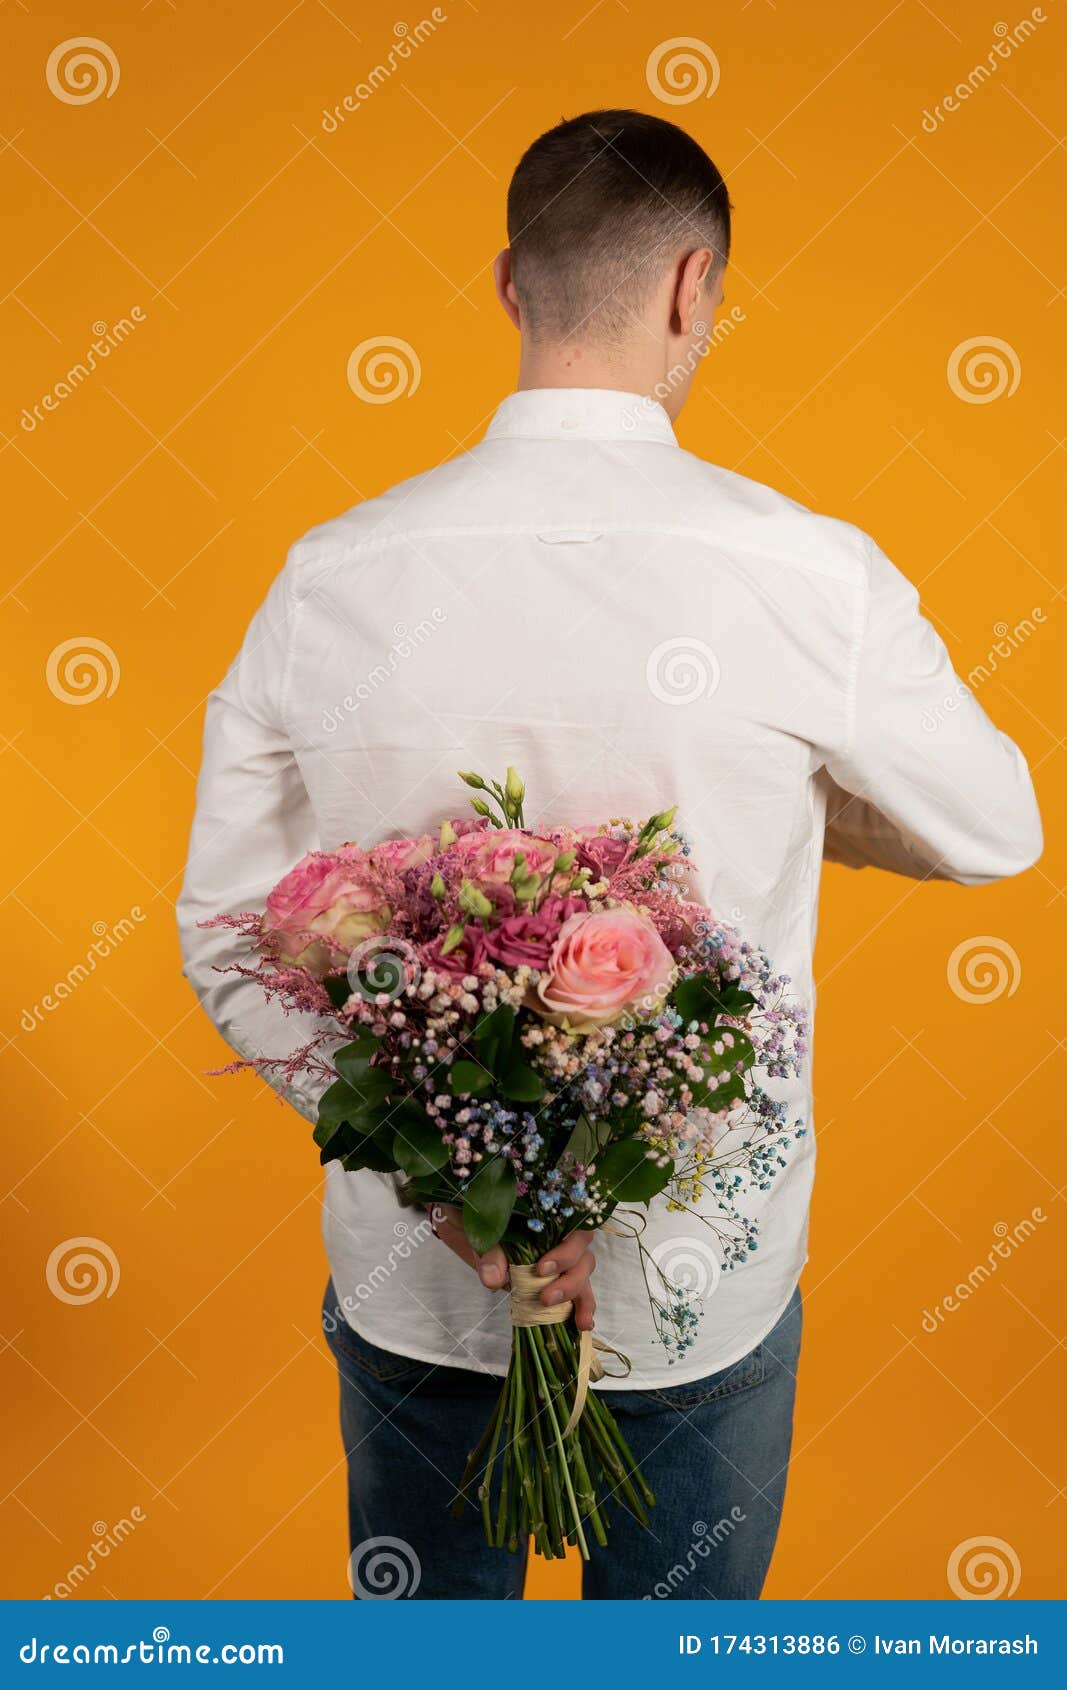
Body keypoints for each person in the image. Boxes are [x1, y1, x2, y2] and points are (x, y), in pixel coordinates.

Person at [177, 109, 1042, 1600]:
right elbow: (997, 827)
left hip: (420, 1283)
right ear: (692, 286)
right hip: (701, 1283)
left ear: (512, 285)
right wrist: (786, 791)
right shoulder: (807, 576)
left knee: (436, 1651)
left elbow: (228, 928)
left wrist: (451, 1183)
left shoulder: (330, 578)